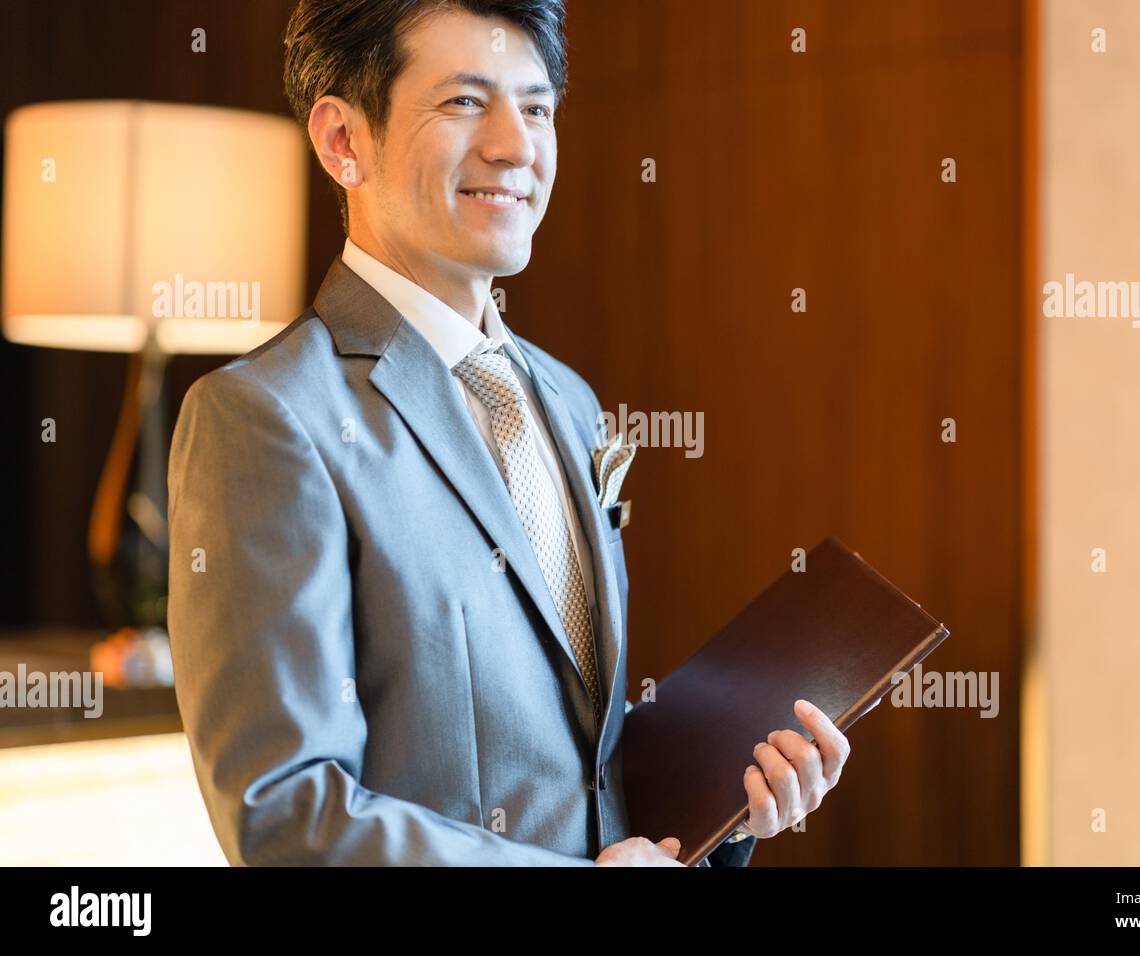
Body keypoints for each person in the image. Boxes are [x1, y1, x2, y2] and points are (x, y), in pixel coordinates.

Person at [166, 0, 850, 866]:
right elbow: (286, 816)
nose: (516, 145)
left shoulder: (568, 400)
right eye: (462, 102)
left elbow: (572, 769)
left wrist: (729, 800)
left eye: (536, 108)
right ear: (344, 140)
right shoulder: (266, 417)